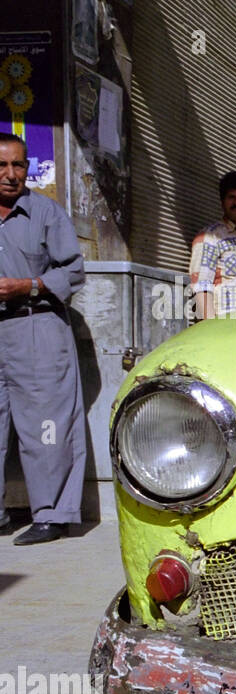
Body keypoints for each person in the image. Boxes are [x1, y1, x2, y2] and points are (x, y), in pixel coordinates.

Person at [0, 132, 87, 545]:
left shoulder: (45, 213)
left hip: (36, 325)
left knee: (46, 425)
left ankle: (52, 514)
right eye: (2, 166)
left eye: (19, 165)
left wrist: (28, 286)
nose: (11, 174)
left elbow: (72, 271)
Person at [189, 170, 236, 321]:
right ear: (223, 202)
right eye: (231, 197)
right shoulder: (211, 238)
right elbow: (201, 289)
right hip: (227, 333)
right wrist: (212, 333)